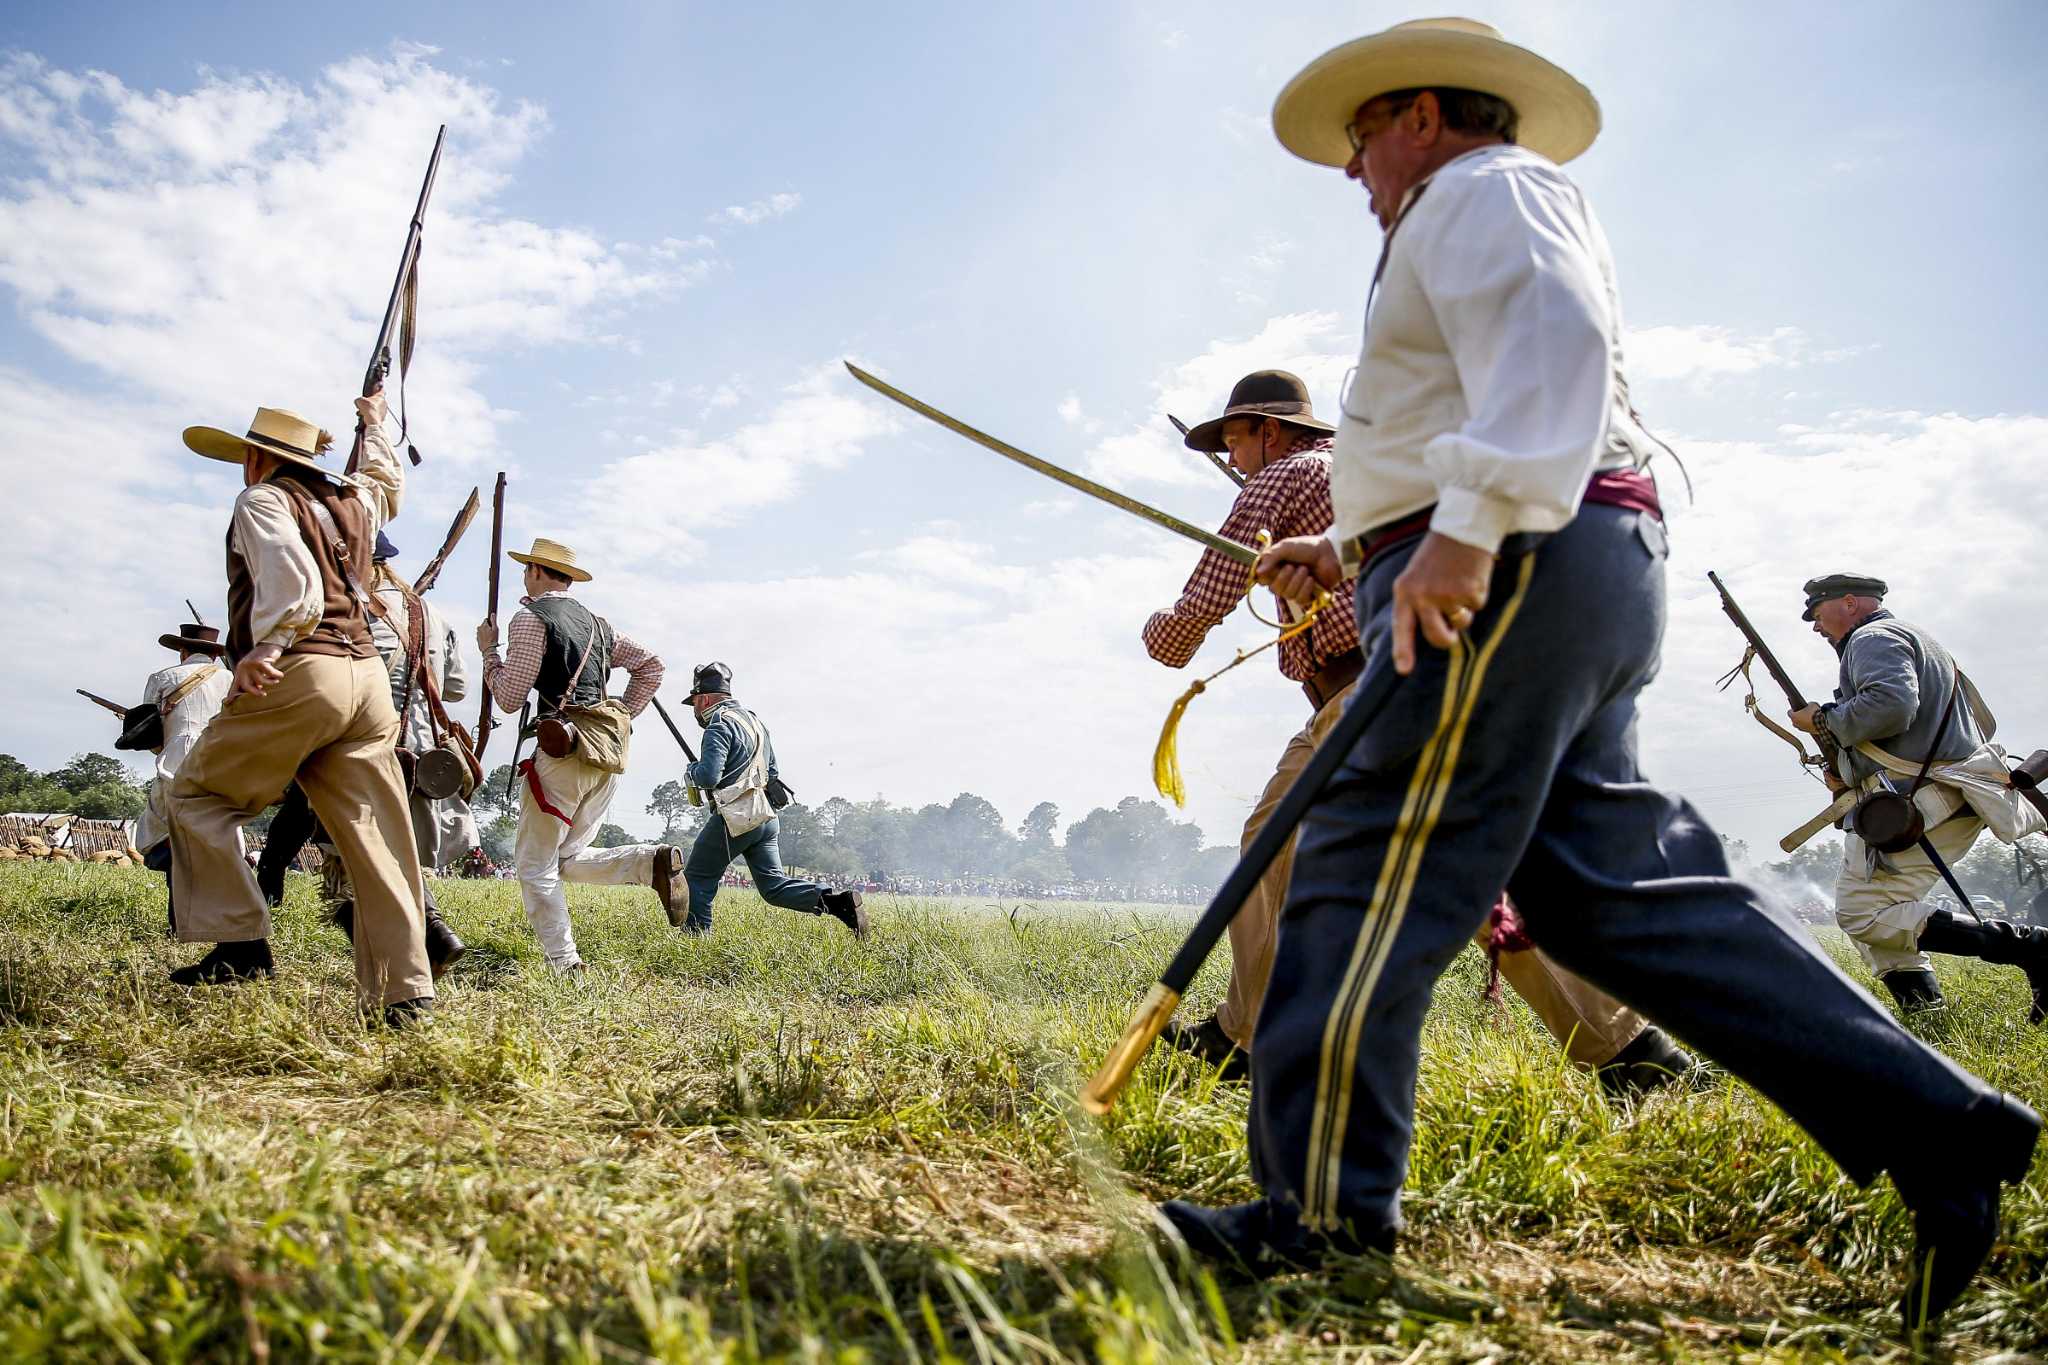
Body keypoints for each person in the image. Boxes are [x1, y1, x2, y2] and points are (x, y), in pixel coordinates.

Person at [1168, 18, 2038, 1336]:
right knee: (1605, 890)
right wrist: (1351, 543)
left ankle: (1317, 1226)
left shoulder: (1481, 189)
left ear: (1417, 113)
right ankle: (1939, 1125)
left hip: (1513, 560)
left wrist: (1456, 538)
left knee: (1354, 868)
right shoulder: (1475, 205)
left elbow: (1552, 344)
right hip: (1558, 556)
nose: (1352, 171)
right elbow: (1466, 412)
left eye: (1360, 139)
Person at [1145, 369, 1691, 1092]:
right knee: (1271, 847)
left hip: (1373, 695)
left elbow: (1205, 596)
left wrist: (1164, 635)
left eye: (1236, 438)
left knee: (1447, 874)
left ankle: (1629, 1048)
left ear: (1269, 431)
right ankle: (1245, 1034)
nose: (1234, 457)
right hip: (1386, 693)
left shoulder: (1286, 474)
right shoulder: (1370, 470)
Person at [166, 393, 434, 1025]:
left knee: (195, 797)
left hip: (303, 669)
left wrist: (269, 645)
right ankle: (407, 993)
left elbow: (294, 583)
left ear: (257, 458)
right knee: (375, 841)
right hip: (369, 679)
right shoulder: (358, 502)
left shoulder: (261, 500)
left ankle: (239, 944)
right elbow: (381, 481)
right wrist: (375, 427)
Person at [1789, 573, 2048, 1021]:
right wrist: (1846, 775)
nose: (1814, 625)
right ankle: (1925, 1010)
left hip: (1926, 801)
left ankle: (2035, 947)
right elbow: (1904, 733)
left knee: (1863, 915)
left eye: (1817, 612)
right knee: (1878, 920)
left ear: (1849, 603)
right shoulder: (1907, 638)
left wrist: (1822, 720)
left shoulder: (1872, 637)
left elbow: (1892, 705)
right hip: (1933, 796)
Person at [477, 537, 678, 973]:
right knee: (563, 861)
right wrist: (621, 712)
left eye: (527, 568)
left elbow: (510, 697)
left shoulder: (530, 618)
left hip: (563, 754)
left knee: (534, 866)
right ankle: (648, 862)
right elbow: (652, 665)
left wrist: (489, 652)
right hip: (606, 753)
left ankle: (565, 965)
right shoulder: (600, 625)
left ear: (534, 571)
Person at [317, 530, 471, 975]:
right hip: (424, 755)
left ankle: (412, 957)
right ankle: (430, 939)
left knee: (350, 870)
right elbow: (455, 688)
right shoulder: (430, 613)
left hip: (370, 747)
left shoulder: (353, 609)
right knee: (394, 859)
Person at [679, 662, 868, 937]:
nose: (695, 709)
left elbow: (708, 776)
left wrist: (691, 771)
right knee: (774, 887)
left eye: (694, 702)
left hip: (735, 819)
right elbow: (773, 772)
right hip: (765, 818)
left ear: (704, 698)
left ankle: (695, 939)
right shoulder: (755, 722)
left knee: (697, 877)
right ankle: (838, 903)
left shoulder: (718, 725)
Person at [132, 621, 232, 933]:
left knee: (173, 844)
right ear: (213, 656)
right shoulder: (232, 679)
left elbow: (150, 734)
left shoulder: (162, 678)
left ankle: (182, 923)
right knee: (216, 844)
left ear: (183, 651)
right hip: (221, 766)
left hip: (177, 763)